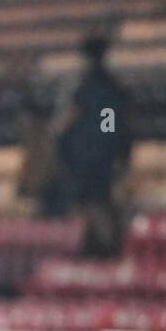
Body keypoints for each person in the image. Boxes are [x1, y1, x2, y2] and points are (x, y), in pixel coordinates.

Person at [42, 33, 131, 256]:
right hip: (105, 153)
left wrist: (54, 132)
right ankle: (107, 246)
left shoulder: (84, 86)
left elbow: (68, 119)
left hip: (85, 154)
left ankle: (90, 246)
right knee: (101, 201)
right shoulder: (114, 86)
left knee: (85, 203)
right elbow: (117, 122)